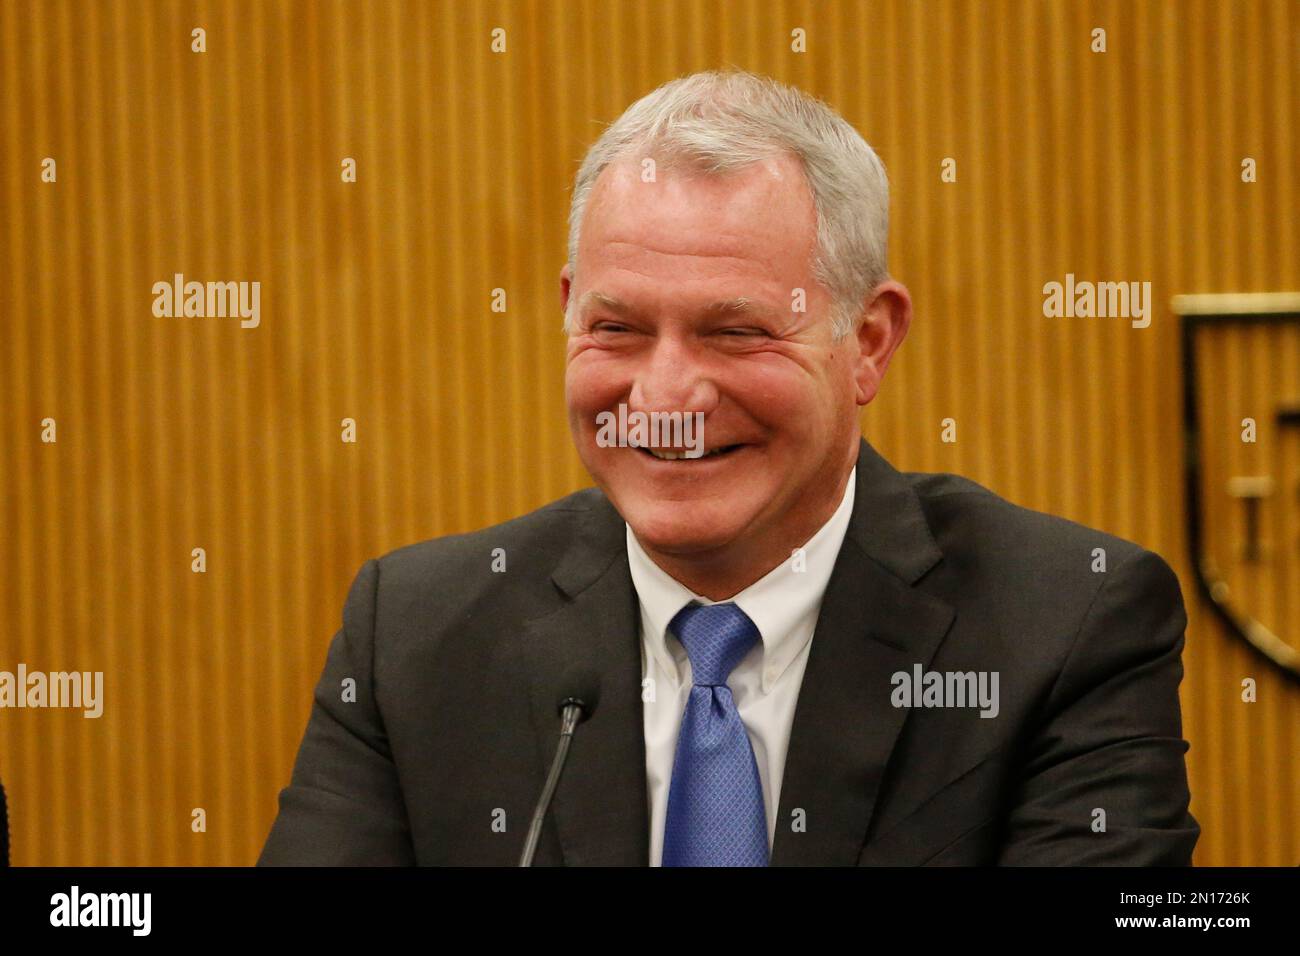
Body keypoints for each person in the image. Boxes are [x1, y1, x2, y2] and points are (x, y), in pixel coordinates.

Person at [259, 69, 1198, 866]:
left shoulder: (1066, 626)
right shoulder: (417, 633)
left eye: (737, 331)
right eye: (617, 329)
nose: (665, 398)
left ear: (867, 342)